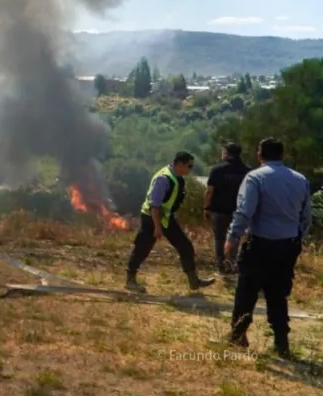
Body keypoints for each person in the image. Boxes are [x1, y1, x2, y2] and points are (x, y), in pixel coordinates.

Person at [224, 137, 312, 358]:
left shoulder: (255, 178)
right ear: (282, 156)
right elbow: (306, 216)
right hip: (287, 245)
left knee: (247, 290)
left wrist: (232, 237)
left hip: (260, 244)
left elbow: (245, 211)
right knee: (278, 294)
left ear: (259, 154)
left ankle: (237, 335)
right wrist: (296, 238)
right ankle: (282, 342)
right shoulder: (300, 180)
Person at [125, 152, 215, 293]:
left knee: (185, 246)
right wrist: (157, 227)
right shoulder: (163, 178)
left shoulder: (177, 178)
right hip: (151, 218)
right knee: (142, 248)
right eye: (189, 166)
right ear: (179, 164)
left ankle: (194, 281)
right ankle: (130, 280)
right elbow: (155, 205)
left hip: (166, 218)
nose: (191, 169)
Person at [204, 142, 251, 274]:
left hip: (219, 211)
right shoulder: (247, 171)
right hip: (240, 211)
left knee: (219, 238)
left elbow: (209, 191)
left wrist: (206, 208)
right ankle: (232, 262)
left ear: (226, 153)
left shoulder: (217, 170)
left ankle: (221, 265)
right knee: (235, 237)